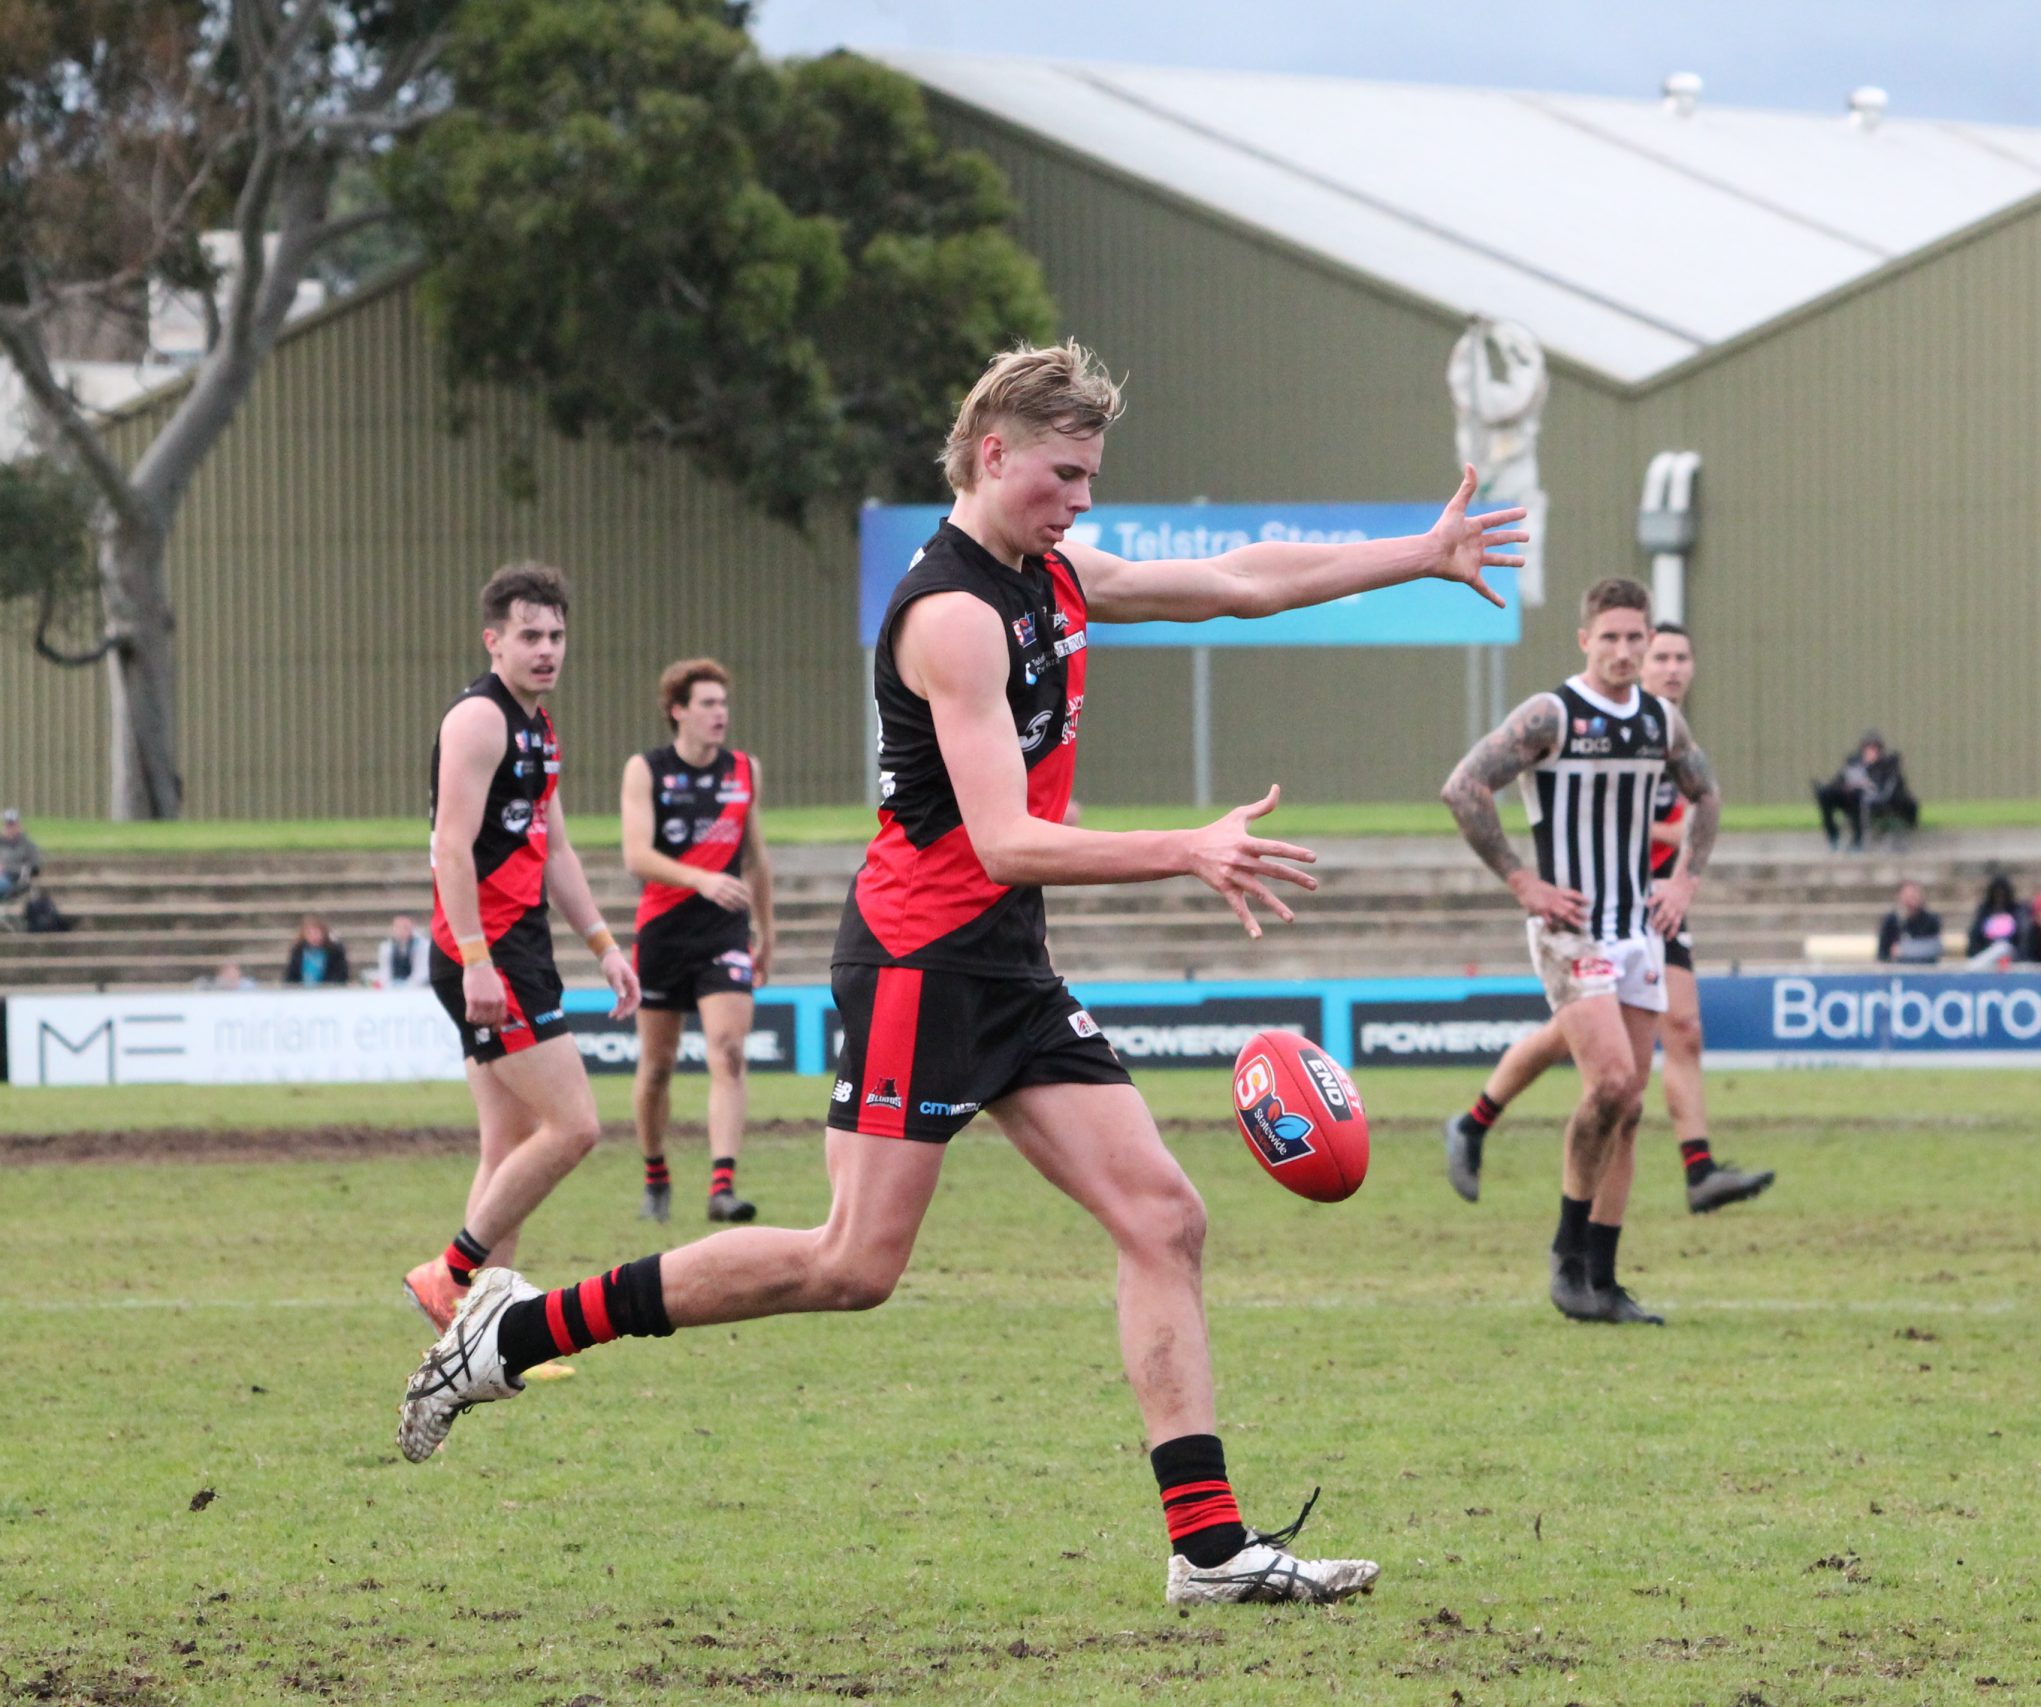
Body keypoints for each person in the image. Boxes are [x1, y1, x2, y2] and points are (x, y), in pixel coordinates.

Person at [399, 341, 1524, 1607]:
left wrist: (1415, 557)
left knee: (1163, 1218)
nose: (1082, 501)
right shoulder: (950, 613)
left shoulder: (1051, 575)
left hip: (1006, 965)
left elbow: (1234, 580)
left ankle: (1208, 1549)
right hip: (918, 969)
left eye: (1092, 477)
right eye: (1064, 475)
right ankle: (511, 1330)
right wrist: (1187, 849)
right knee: (849, 1266)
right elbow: (1001, 840)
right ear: (993, 455)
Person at [1439, 577, 1721, 1328]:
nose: (1626, 650)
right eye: (1613, 637)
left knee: (1627, 1111)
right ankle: (1567, 1260)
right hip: (1571, 928)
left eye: (1638, 637)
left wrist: (1685, 881)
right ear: (1585, 639)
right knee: (1612, 1084)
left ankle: (1603, 1279)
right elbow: (1464, 787)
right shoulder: (1551, 714)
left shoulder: (1661, 721)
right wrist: (1522, 880)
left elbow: (1707, 793)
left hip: (1639, 927)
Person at [1440, 620, 1775, 1216]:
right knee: (1589, 1058)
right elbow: (1606, 818)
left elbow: (1699, 805)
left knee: (1682, 1033)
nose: (1670, 667)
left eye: (1680, 657)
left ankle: (1696, 1168)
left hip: (1649, 910)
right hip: (1592, 911)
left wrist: (1682, 874)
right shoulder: (1593, 726)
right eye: (1661, 656)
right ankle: (1475, 1122)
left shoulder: (1668, 734)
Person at [401, 562, 640, 1335]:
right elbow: (451, 847)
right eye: (529, 635)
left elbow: (558, 850)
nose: (546, 649)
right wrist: (474, 958)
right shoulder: (480, 720)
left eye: (557, 635)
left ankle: (476, 1331)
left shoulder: (536, 724)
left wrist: (604, 944)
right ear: (493, 640)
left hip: (517, 947)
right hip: (489, 953)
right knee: (573, 1127)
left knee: (507, 1142)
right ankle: (453, 1271)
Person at [623, 658, 774, 1224]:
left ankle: (722, 1187)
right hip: (663, 932)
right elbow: (636, 855)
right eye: (708, 704)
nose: (720, 714)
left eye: (723, 704)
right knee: (657, 1067)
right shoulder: (647, 770)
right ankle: (656, 1173)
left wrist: (768, 931)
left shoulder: (744, 770)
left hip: (726, 932)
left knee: (729, 1053)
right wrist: (701, 878)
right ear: (677, 711)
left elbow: (758, 859)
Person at [1812, 731, 1918, 852]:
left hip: (1872, 800)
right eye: (1867, 748)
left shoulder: (1887, 766)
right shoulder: (1854, 764)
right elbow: (1839, 780)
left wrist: (1867, 785)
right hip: (1849, 797)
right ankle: (1833, 834)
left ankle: (1858, 840)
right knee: (1825, 795)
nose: (1870, 752)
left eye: (1874, 749)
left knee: (1856, 794)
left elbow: (1890, 788)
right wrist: (1841, 787)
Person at [1966, 872, 2025, 967]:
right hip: (1986, 954)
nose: (2000, 896)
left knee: (2002, 947)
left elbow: (2021, 937)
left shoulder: (2016, 910)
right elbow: (1975, 935)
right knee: (1997, 948)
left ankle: (1973, 967)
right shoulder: (1984, 911)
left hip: (2010, 956)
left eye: (2002, 893)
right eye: (1996, 893)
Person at [1876, 880, 1943, 963]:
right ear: (1899, 897)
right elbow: (1882, 954)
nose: (1910, 900)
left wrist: (1905, 950)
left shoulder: (1931, 919)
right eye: (1907, 896)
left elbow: (1935, 948)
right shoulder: (1890, 920)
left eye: (1914, 896)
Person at [281, 914, 350, 986]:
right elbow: (290, 976)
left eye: (317, 933)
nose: (314, 936)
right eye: (310, 933)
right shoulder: (298, 951)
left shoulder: (335, 951)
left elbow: (341, 975)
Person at [376, 915, 431, 989]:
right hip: (393, 985)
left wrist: (408, 987)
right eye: (398, 927)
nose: (401, 930)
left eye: (405, 927)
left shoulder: (422, 945)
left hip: (416, 987)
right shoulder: (386, 946)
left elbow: (422, 971)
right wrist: (388, 986)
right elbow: (384, 970)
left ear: (412, 928)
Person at [0, 807, 41, 903]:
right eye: (7, 824)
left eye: (12, 824)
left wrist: (6, 868)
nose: (9, 828)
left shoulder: (28, 845)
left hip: (14, 880)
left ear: (19, 825)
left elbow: (35, 867)